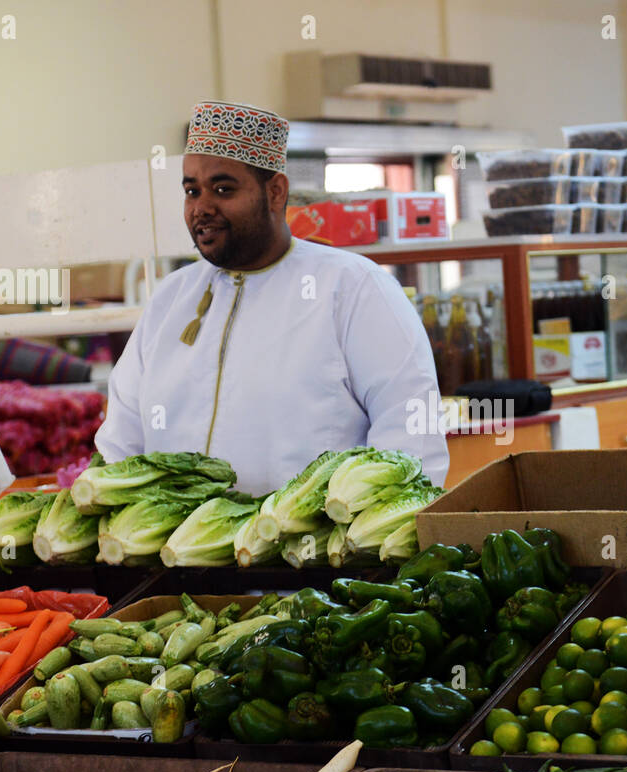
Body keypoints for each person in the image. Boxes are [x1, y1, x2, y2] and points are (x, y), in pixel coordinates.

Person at [95, 100, 449, 494]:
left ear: (276, 192)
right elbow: (120, 444)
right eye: (192, 191)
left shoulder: (353, 288)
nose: (202, 208)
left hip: (309, 550)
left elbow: (410, 434)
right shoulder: (170, 300)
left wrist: (359, 538)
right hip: (174, 548)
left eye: (223, 189)